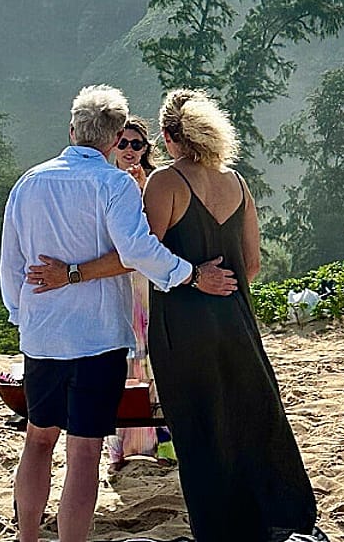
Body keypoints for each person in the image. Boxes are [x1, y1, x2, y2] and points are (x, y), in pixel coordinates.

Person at [29, 89, 318, 542]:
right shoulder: (237, 183)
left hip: (183, 327)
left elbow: (139, 255)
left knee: (198, 427)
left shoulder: (166, 183)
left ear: (166, 135)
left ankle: (220, 526)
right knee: (249, 415)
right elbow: (253, 265)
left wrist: (73, 274)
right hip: (236, 319)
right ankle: (279, 515)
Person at [0, 85, 236, 542]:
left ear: (72, 130)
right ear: (113, 140)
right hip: (98, 338)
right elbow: (137, 251)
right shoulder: (114, 184)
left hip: (42, 336)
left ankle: (27, 537)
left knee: (38, 440)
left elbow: (11, 260)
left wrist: (21, 314)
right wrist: (191, 276)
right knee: (84, 452)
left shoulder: (29, 182)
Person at [105, 117, 177, 472]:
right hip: (118, 281)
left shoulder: (158, 183)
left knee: (154, 356)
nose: (131, 150)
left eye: (138, 144)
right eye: (125, 144)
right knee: (124, 357)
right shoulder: (106, 183)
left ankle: (164, 441)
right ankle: (120, 445)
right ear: (114, 145)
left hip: (148, 282)